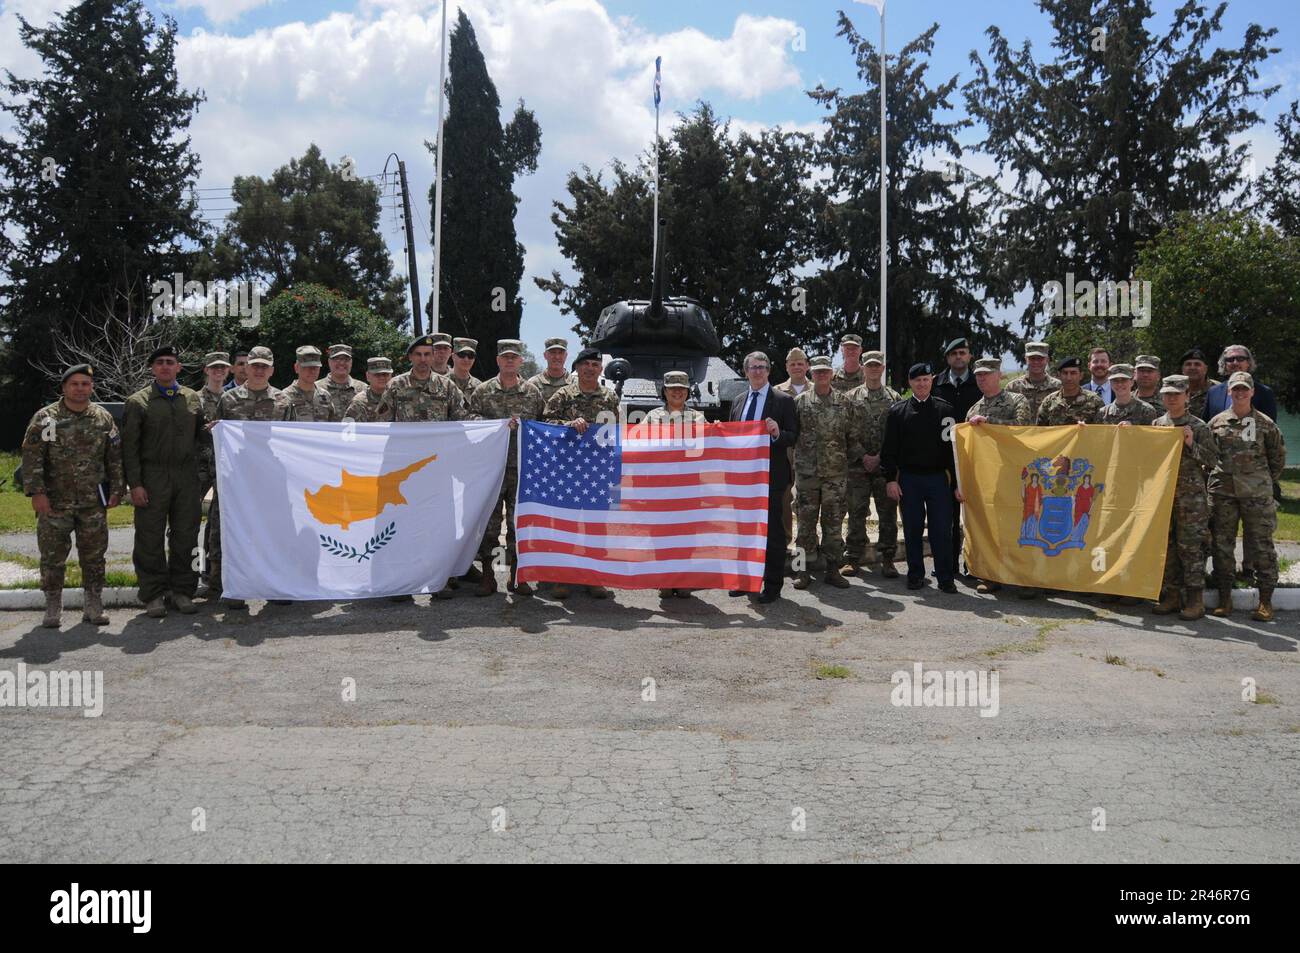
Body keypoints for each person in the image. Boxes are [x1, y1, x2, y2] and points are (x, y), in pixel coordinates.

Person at [21, 364, 125, 628]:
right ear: (64, 387)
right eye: (75, 384)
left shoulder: (102, 418)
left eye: (85, 384)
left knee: (94, 557)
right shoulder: (47, 418)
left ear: (91, 387)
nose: (80, 389)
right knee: (53, 557)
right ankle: (53, 605)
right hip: (55, 502)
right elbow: (33, 457)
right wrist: (37, 493)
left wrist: (116, 490)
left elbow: (113, 457)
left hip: (92, 503)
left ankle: (93, 603)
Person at [378, 334, 476, 601]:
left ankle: (437, 581)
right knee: (404, 527)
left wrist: (500, 426)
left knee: (437, 528)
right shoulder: (396, 386)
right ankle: (404, 584)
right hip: (404, 474)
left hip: (437, 473)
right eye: (418, 355)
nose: (423, 360)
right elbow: (380, 426)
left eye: (427, 354)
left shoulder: (447, 388)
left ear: (434, 357)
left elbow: (465, 422)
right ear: (410, 357)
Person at [122, 345, 207, 618]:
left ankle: (183, 591)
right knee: (149, 536)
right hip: (152, 476)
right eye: (160, 362)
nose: (165, 366)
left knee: (186, 535)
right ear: (152, 368)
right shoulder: (138, 402)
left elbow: (202, 436)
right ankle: (154, 594)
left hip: (186, 476)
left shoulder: (192, 399)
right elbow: (129, 448)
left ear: (179, 367)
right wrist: (134, 484)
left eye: (171, 362)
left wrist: (221, 431)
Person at [210, 346, 290, 610]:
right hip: (238, 479)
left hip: (271, 479)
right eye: (254, 365)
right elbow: (219, 439)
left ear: (272, 370)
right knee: (236, 532)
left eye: (264, 366)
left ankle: (275, 586)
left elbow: (291, 441)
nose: (258, 369)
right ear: (246, 368)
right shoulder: (229, 400)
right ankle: (236, 588)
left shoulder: (283, 401)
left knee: (274, 532)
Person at [468, 340, 546, 597]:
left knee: (518, 524)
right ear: (498, 361)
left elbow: (543, 426)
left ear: (521, 361)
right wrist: (498, 425)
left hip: (522, 470)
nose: (510, 361)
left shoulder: (533, 392)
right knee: (490, 525)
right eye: (505, 357)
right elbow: (470, 420)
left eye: (514, 357)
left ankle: (517, 575)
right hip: (492, 469)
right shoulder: (483, 390)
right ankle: (488, 575)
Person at [543, 347, 622, 600]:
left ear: (601, 369)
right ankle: (561, 577)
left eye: (595, 365)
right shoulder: (562, 395)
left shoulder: (610, 397)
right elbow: (545, 425)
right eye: (585, 364)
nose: (590, 369)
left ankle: (593, 576)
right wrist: (568, 425)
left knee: (596, 527)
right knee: (565, 525)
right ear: (576, 368)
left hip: (597, 473)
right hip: (566, 472)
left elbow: (616, 433)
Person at [1207, 372, 1286, 621]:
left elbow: (1277, 459)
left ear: (1252, 392)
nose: (1240, 393)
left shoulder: (1265, 424)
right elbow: (1209, 457)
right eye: (1235, 389)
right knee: (1222, 545)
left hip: (1256, 495)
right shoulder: (1216, 423)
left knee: (1262, 546)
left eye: (1244, 389)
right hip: (1224, 494)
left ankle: (1265, 601)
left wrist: (1261, 481)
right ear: (1228, 392)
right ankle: (1225, 598)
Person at [881, 363, 959, 593]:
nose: (922, 384)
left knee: (941, 530)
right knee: (912, 530)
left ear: (932, 381)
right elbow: (889, 451)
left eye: (926, 379)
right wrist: (890, 480)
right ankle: (915, 574)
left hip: (938, 480)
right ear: (910, 383)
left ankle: (945, 577)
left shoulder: (946, 411)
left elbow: (952, 451)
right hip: (910, 480)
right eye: (917, 380)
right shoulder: (898, 412)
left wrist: (956, 483)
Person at [727, 351, 798, 603]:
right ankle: (745, 581)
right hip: (743, 479)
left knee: (773, 534)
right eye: (753, 367)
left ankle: (773, 584)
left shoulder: (783, 400)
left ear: (769, 371)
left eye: (762, 367)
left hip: (772, 478)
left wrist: (778, 433)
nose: (758, 371)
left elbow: (793, 435)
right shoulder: (737, 401)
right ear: (746, 371)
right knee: (743, 531)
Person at [1151, 375, 1218, 620]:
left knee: (1191, 549)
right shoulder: (1157, 424)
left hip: (1191, 500)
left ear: (1187, 396)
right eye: (1167, 394)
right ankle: (1171, 595)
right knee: (1167, 547)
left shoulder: (1199, 426)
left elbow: (1212, 461)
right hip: (1165, 496)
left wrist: (1191, 444)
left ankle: (1195, 600)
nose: (1171, 398)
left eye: (1177, 394)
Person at [963, 357, 1032, 593]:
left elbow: (1022, 427)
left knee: (1019, 527)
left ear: (998, 375)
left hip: (1014, 476)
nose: (982, 379)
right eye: (978, 375)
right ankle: (992, 576)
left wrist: (990, 422)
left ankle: (1025, 579)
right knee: (992, 529)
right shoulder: (973, 409)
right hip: (987, 479)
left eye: (987, 374)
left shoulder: (1016, 400)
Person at [791, 356, 853, 591]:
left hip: (835, 475)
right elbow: (792, 436)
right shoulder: (800, 402)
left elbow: (852, 435)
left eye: (825, 371)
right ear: (811, 373)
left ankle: (833, 569)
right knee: (805, 525)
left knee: (833, 524)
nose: (821, 375)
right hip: (807, 474)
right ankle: (801, 571)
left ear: (832, 374)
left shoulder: (844, 402)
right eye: (817, 372)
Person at [647, 371, 706, 599]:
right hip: (660, 486)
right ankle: (664, 578)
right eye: (672, 388)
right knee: (660, 532)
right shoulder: (652, 417)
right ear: (665, 391)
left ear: (688, 391)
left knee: (686, 532)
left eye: (681, 388)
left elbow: (708, 447)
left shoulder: (699, 419)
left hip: (689, 485)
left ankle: (682, 579)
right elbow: (639, 444)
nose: (677, 391)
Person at [844, 350, 901, 577]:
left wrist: (879, 457)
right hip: (857, 466)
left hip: (884, 466)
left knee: (887, 512)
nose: (873, 369)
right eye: (869, 365)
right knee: (856, 512)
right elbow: (845, 431)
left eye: (877, 365)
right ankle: (852, 558)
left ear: (883, 368)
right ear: (863, 368)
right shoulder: (850, 397)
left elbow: (898, 435)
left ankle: (888, 558)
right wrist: (863, 455)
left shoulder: (894, 399)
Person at [935, 338, 982, 574]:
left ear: (969, 356)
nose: (958, 357)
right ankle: (948, 563)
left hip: (976, 458)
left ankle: (973, 564)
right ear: (947, 359)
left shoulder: (980, 383)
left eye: (962, 353)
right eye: (953, 354)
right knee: (947, 516)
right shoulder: (936, 384)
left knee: (976, 515)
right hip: (944, 459)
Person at [195, 352, 230, 595]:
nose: (218, 372)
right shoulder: (194, 399)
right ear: (206, 370)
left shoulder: (231, 399)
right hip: (197, 466)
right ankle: (186, 575)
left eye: (222, 368)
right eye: (214, 368)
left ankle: (214, 575)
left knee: (219, 522)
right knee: (186, 522)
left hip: (223, 468)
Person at [773, 347, 810, 552]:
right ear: (786, 367)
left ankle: (807, 544)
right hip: (786, 456)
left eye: (800, 363)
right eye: (792, 364)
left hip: (810, 455)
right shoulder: (776, 392)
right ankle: (786, 541)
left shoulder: (818, 388)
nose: (796, 367)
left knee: (808, 502)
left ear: (807, 366)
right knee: (785, 501)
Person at [1202, 345, 1278, 422]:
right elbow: (1206, 425)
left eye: (1240, 359)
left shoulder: (1264, 392)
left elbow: (1271, 427)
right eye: (1230, 359)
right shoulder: (1213, 392)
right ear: (1224, 364)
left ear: (1248, 363)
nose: (1235, 363)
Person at [1036, 357, 1104, 425]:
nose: (1069, 378)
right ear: (1059, 376)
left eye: (1073, 373)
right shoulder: (1049, 402)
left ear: (1081, 375)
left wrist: (1087, 429)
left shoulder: (1095, 401)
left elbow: (1103, 431)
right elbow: (1040, 431)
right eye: (1065, 373)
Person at [1005, 341, 1061, 418]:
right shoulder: (1013, 387)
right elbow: (1004, 415)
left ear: (1047, 360)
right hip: (1022, 430)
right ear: (1026, 359)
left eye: (1040, 358)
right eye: (1032, 358)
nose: (1036, 362)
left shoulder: (1058, 387)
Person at [281, 345, 336, 421]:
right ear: (296, 367)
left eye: (315, 367)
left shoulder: (325, 397)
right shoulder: (285, 397)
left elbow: (331, 427)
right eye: (307, 367)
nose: (312, 371)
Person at [321, 344, 366, 419]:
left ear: (351, 362)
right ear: (329, 362)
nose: (341, 363)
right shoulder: (317, 389)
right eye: (336, 359)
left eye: (346, 359)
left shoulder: (364, 389)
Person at [343, 357, 394, 422]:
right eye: (377, 374)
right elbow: (347, 428)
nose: (382, 377)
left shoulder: (398, 397)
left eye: (385, 374)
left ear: (391, 376)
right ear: (368, 376)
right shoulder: (360, 402)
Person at [527, 338, 574, 404]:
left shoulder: (576, 383)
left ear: (566, 356)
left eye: (560, 353)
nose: (557, 357)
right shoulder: (533, 384)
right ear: (545, 355)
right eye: (553, 352)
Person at [1180, 347, 1218, 420]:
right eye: (1188, 364)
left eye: (1197, 364)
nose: (1192, 367)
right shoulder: (1175, 390)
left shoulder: (1218, 390)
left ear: (1205, 369)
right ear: (1182, 369)